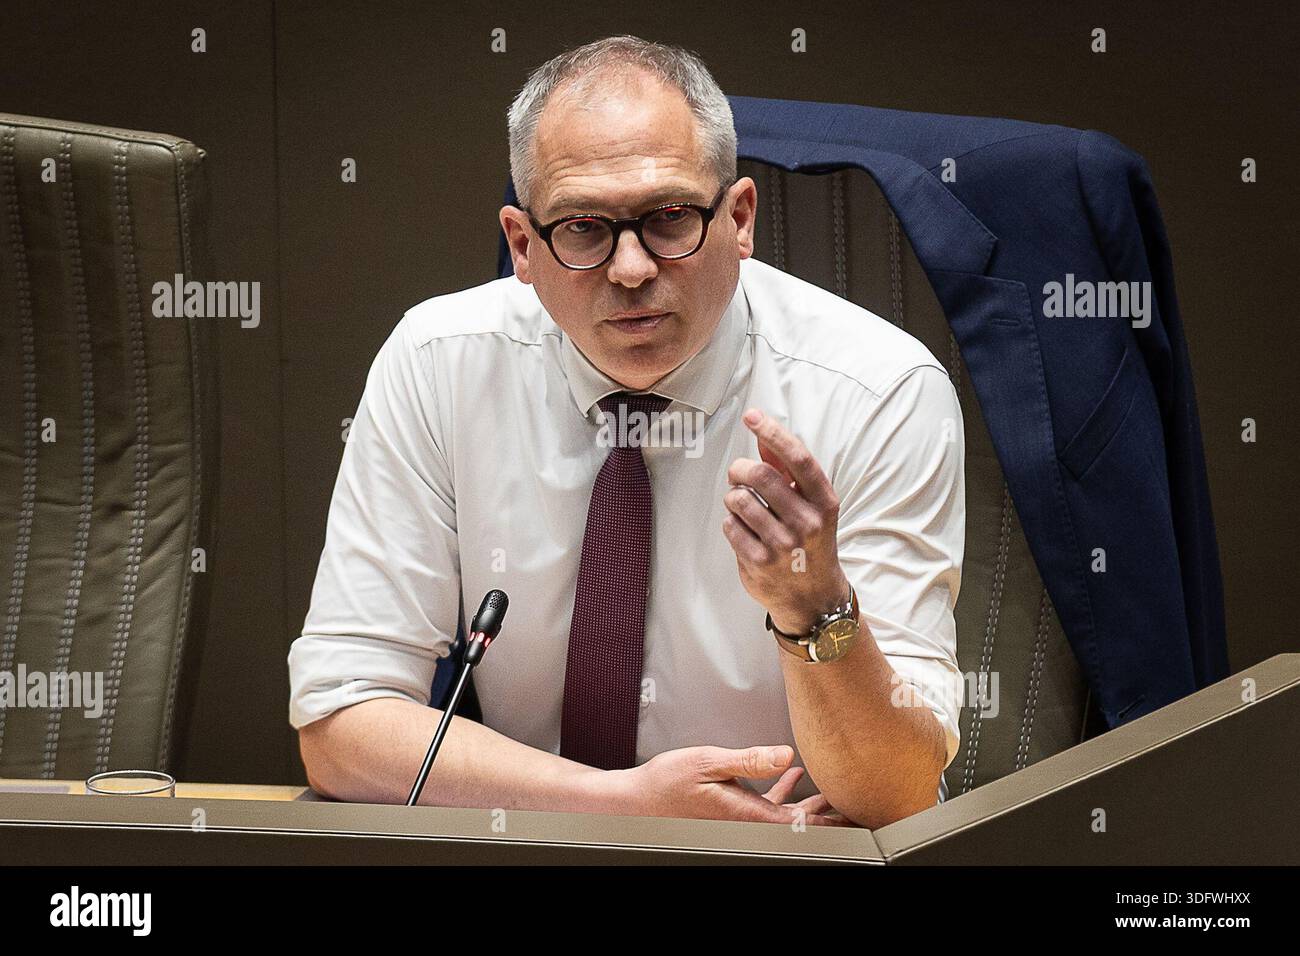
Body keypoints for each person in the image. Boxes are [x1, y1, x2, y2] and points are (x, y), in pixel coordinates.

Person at [288, 35, 965, 829]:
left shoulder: (879, 390)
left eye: (670, 218)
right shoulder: (438, 363)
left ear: (739, 218)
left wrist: (813, 606)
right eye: (582, 229)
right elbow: (341, 725)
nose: (632, 268)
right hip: (528, 843)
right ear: (522, 248)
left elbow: (900, 795)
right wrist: (617, 804)